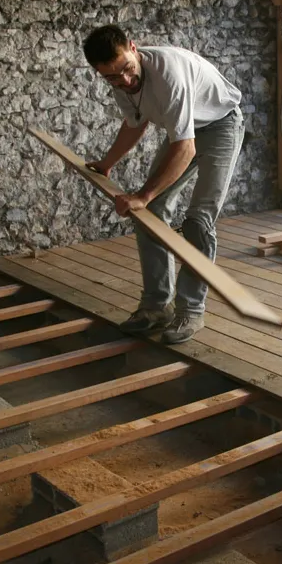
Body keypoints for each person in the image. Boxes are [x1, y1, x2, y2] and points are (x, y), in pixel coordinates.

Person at [81, 25, 244, 344]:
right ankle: (156, 308)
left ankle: (190, 312)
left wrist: (142, 195)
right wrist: (107, 163)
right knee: (152, 213)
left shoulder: (168, 73)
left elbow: (186, 148)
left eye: (126, 69)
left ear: (133, 46)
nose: (124, 81)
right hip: (186, 134)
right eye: (112, 77)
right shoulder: (120, 82)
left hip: (221, 126)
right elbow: (134, 124)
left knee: (198, 221)